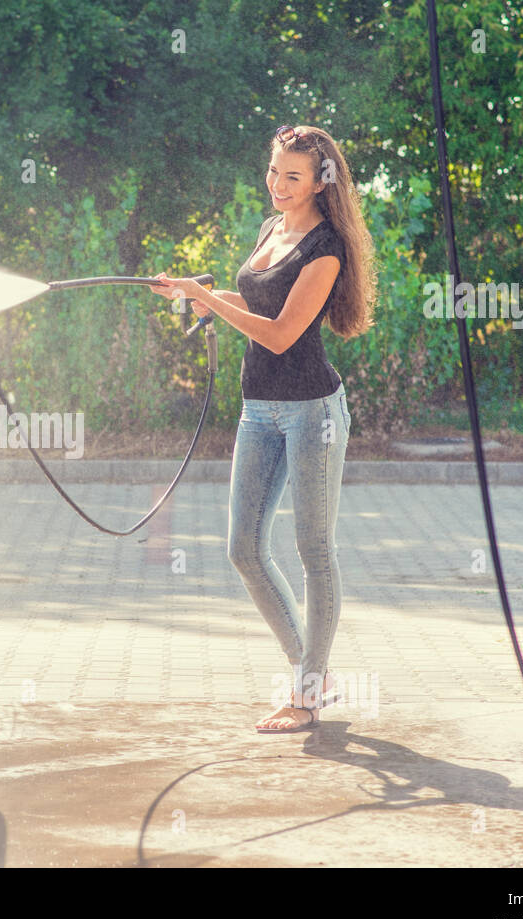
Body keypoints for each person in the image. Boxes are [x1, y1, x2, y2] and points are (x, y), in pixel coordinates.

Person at [150, 124, 377, 732]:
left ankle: (306, 692)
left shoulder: (325, 249)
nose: (278, 184)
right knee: (244, 550)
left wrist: (212, 300)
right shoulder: (271, 230)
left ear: (320, 183)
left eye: (292, 176)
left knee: (314, 550)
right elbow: (255, 304)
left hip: (312, 412)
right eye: (275, 170)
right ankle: (314, 670)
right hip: (259, 410)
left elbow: (279, 334)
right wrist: (197, 293)